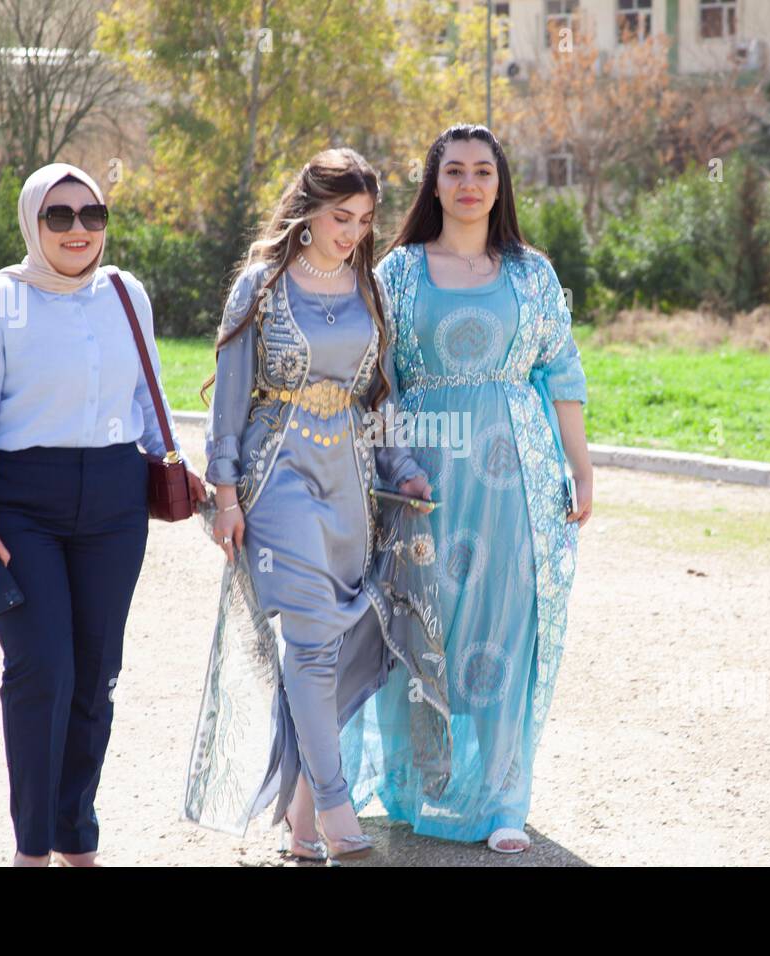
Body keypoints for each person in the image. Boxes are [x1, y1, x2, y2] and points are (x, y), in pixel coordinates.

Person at [181, 147, 451, 862]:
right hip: (278, 476)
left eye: (364, 220)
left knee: (347, 640)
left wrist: (404, 470)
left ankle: (301, 816)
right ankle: (335, 805)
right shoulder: (260, 286)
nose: (353, 233)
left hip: (350, 483)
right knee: (309, 640)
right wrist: (226, 495)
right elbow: (229, 399)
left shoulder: (367, 286)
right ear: (307, 213)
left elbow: (381, 395)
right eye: (341, 218)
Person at [340, 124, 594, 853]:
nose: (469, 183)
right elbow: (376, 378)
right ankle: (417, 785)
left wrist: (580, 466)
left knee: (505, 630)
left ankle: (501, 798)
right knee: (422, 623)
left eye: (483, 170)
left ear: (500, 182)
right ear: (435, 183)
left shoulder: (531, 274)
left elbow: (561, 370)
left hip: (516, 477)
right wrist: (383, 466)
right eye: (454, 170)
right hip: (421, 474)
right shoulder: (397, 272)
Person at [0, 161, 205, 866]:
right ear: (32, 221)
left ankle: (75, 837)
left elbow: (148, 396)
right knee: (42, 670)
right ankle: (31, 848)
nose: (77, 230)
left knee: (96, 676)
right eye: (58, 216)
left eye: (92, 215)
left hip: (116, 503)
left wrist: (176, 462)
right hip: (21, 506)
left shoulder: (125, 292)